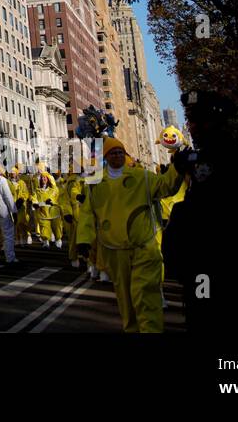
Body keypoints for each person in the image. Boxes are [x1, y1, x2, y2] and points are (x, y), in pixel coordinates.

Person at [164, 89, 238, 333]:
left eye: (194, 121)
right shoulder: (207, 158)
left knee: (216, 320)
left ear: (210, 122)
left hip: (231, 265)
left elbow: (211, 213)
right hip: (217, 266)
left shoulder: (226, 159)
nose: (190, 127)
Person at [76, 137, 183, 333]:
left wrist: (177, 168)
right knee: (125, 299)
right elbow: (87, 213)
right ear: (106, 157)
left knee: (145, 294)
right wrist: (83, 240)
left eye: (120, 152)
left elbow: (166, 186)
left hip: (143, 248)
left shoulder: (142, 176)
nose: (117, 155)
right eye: (112, 153)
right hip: (114, 251)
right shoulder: (94, 182)